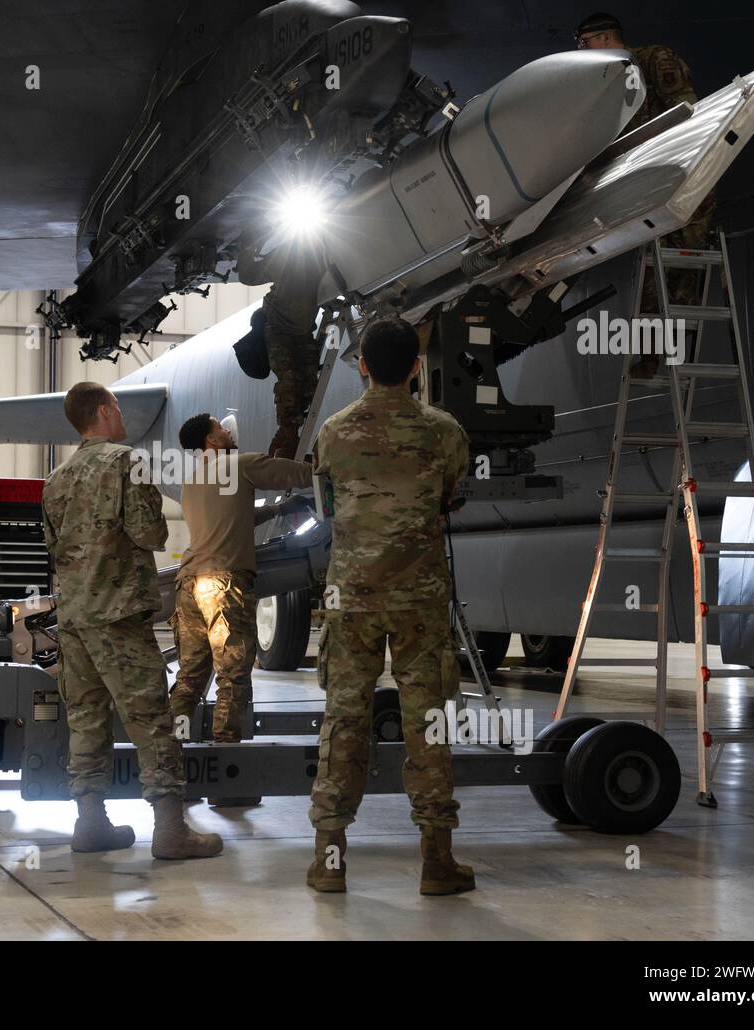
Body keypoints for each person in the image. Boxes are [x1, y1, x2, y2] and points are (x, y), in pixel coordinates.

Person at [306, 318, 474, 896]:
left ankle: (329, 861)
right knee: (428, 722)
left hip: (350, 596)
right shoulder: (444, 431)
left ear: (362, 366)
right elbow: (449, 495)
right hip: (418, 599)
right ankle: (437, 862)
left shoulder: (333, 432)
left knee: (344, 719)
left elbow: (327, 502)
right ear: (416, 368)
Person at [42, 381, 222, 859]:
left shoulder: (55, 478)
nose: (122, 416)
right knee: (151, 720)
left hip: (74, 619)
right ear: (104, 411)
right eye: (118, 407)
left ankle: (90, 823)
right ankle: (171, 829)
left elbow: (55, 548)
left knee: (86, 719)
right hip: (119, 615)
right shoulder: (129, 462)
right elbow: (151, 533)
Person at [170, 412, 313, 745]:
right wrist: (330, 467)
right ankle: (226, 754)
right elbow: (294, 473)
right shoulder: (240, 465)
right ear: (211, 439)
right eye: (220, 428)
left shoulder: (192, 481)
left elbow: (233, 517)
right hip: (224, 584)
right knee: (232, 676)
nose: (227, 431)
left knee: (189, 678)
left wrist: (279, 510)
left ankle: (169, 751)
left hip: (189, 584)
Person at [577, 10, 715, 349]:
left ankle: (673, 349)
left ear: (606, 37)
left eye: (585, 43)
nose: (581, 51)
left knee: (683, 266)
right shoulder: (607, 82)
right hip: (649, 189)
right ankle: (651, 355)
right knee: (653, 275)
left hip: (684, 179)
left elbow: (689, 114)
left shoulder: (654, 59)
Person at [236, 232, 326, 459]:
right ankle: (288, 433)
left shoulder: (325, 255)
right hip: (277, 327)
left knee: (310, 384)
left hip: (303, 330)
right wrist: (247, 247)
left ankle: (288, 434)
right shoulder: (288, 255)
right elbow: (249, 275)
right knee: (289, 377)